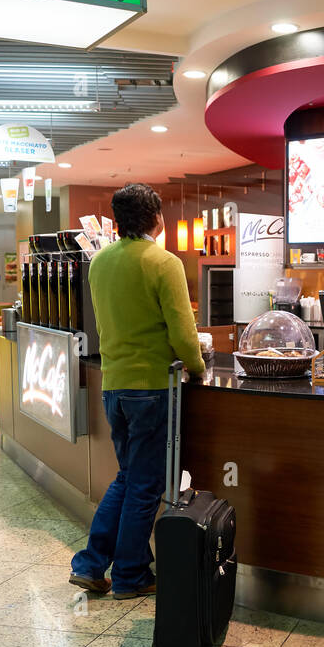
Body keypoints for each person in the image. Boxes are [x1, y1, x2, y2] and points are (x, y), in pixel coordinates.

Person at [70, 183, 206, 600]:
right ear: (157, 218)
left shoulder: (100, 262)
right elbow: (184, 333)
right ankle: (129, 575)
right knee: (146, 485)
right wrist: (198, 368)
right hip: (152, 387)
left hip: (114, 386)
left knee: (128, 477)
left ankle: (92, 565)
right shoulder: (163, 262)